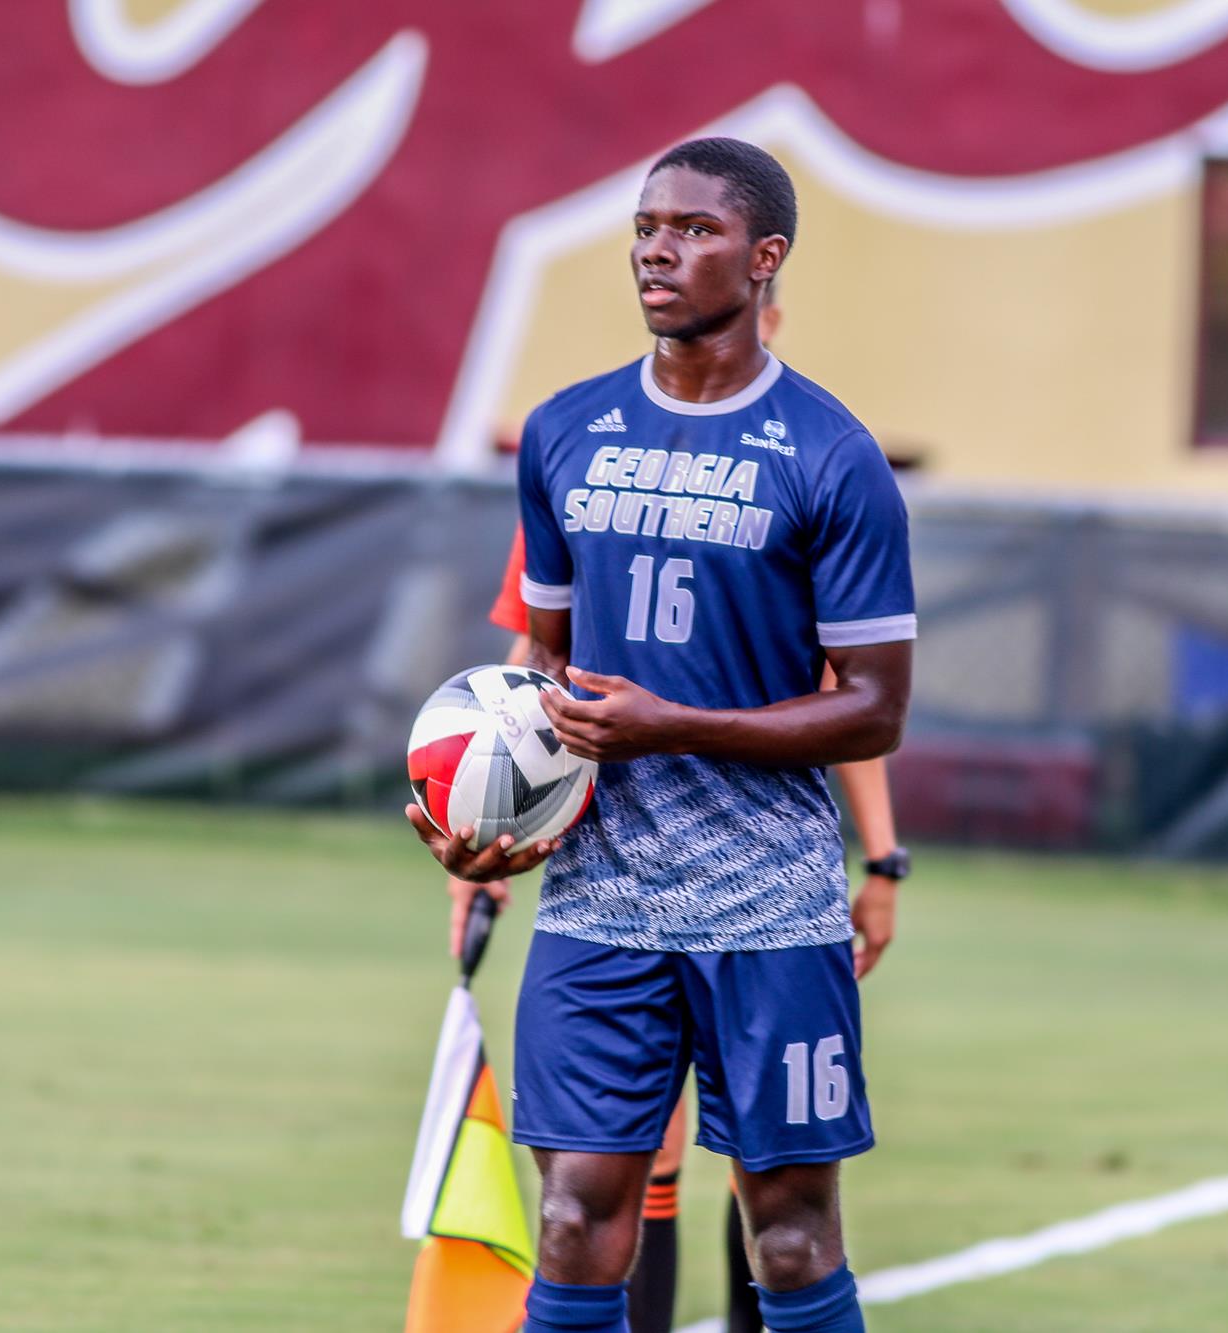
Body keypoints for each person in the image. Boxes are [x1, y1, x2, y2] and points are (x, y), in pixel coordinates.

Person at [410, 137, 913, 1333]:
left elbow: (874, 705)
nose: (656, 249)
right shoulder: (563, 432)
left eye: (693, 229)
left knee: (787, 1232)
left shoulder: (832, 456)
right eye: (645, 226)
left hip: (768, 905)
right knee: (575, 1216)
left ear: (764, 256)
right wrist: (475, 810)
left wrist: (671, 725)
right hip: (598, 900)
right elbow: (536, 669)